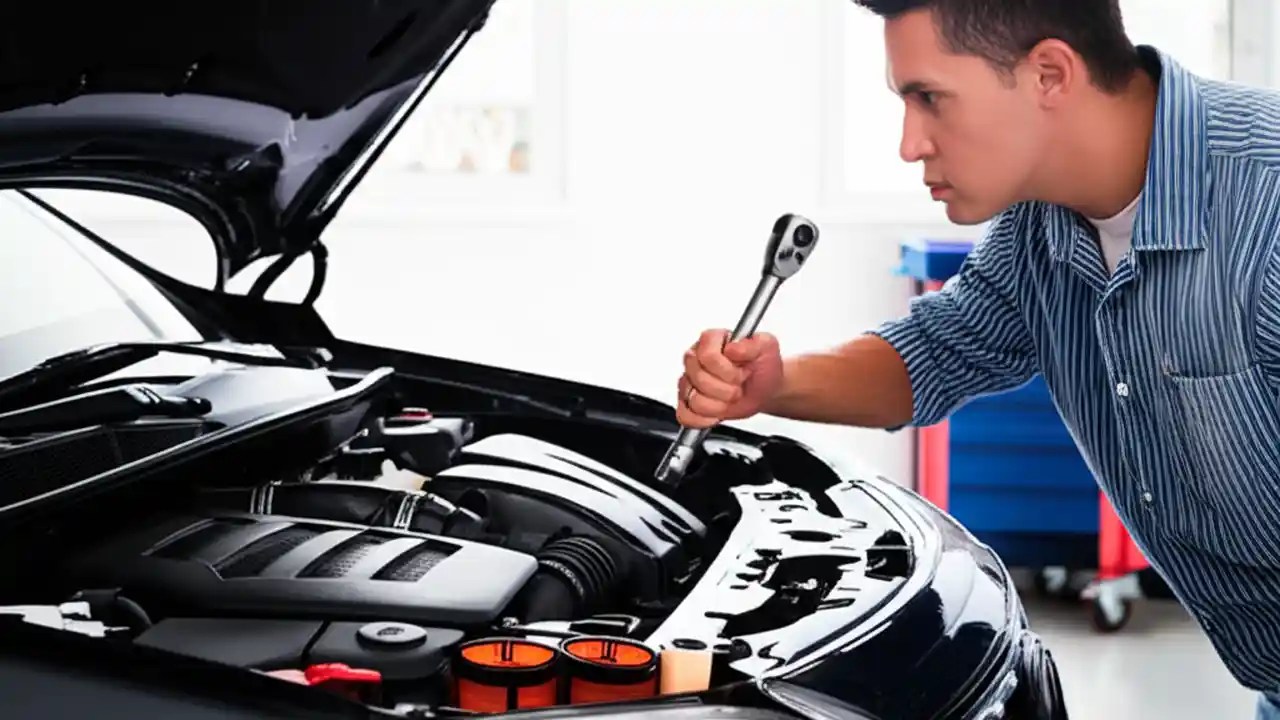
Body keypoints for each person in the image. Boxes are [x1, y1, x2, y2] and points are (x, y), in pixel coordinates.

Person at [675, 0, 1280, 716]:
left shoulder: (1264, 203)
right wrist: (774, 382)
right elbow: (930, 354)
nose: (909, 144)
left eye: (928, 98)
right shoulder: (1039, 224)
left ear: (1050, 73)